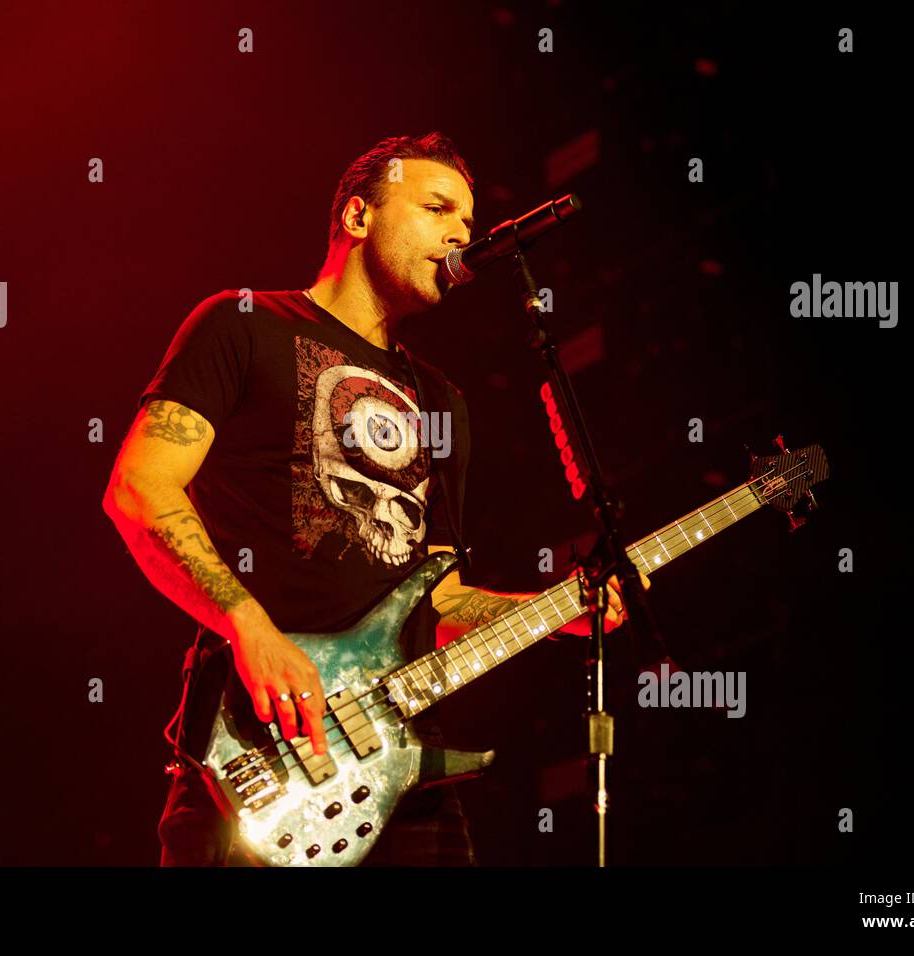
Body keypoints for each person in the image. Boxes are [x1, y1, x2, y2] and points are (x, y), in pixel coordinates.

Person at [102, 132, 636, 866]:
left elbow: (435, 604)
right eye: (437, 207)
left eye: (469, 225)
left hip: (400, 781)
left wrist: (547, 612)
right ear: (358, 217)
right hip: (259, 755)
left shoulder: (440, 399)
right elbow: (139, 487)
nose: (459, 234)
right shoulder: (245, 324)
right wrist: (249, 627)